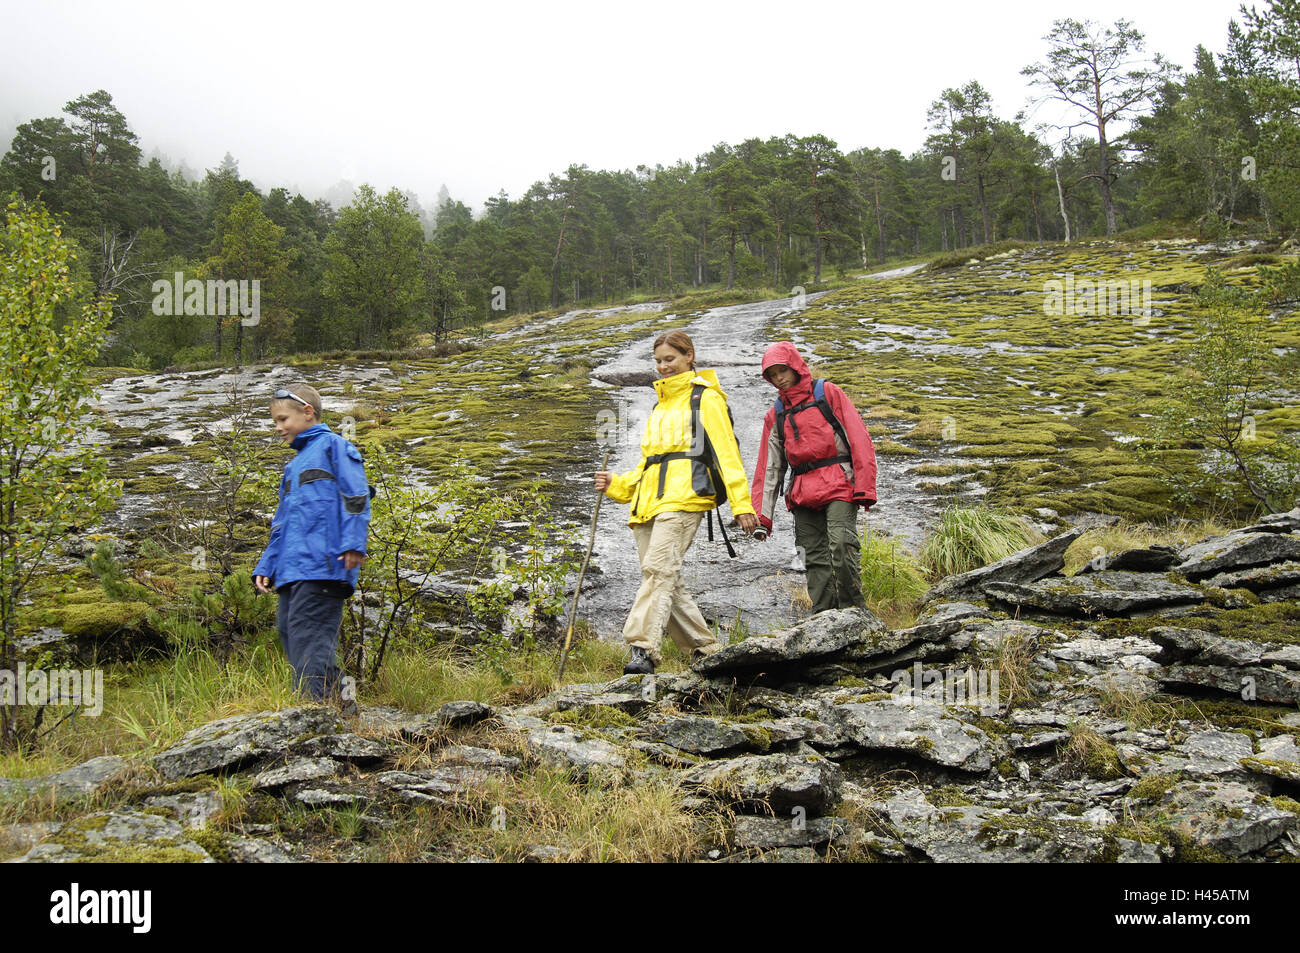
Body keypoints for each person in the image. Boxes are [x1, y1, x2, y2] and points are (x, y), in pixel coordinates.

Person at [595, 331, 758, 675]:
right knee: (666, 577)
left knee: (657, 571)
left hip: (686, 498)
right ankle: (704, 649)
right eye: (658, 361)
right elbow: (649, 463)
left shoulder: (706, 399)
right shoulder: (660, 405)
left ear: (689, 356)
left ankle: (642, 649)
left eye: (669, 359)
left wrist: (741, 505)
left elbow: (728, 454)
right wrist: (617, 484)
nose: (663, 366)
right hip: (647, 503)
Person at [253, 384, 371, 712]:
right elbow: (281, 524)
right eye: (275, 421)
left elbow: (356, 497)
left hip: (326, 567)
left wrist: (352, 544)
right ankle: (347, 707)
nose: (278, 428)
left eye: (282, 419)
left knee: (310, 638)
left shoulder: (336, 447)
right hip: (292, 571)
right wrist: (267, 564)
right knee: (290, 633)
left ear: (307, 412)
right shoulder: (293, 467)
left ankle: (314, 716)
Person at [750, 342, 877, 614]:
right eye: (772, 375)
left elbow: (859, 438)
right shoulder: (776, 415)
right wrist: (762, 516)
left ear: (795, 366)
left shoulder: (828, 393)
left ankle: (854, 614)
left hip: (840, 483)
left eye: (782, 370)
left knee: (842, 546)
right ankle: (824, 619)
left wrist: (865, 487)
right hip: (803, 491)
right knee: (813, 556)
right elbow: (769, 467)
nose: (779, 378)